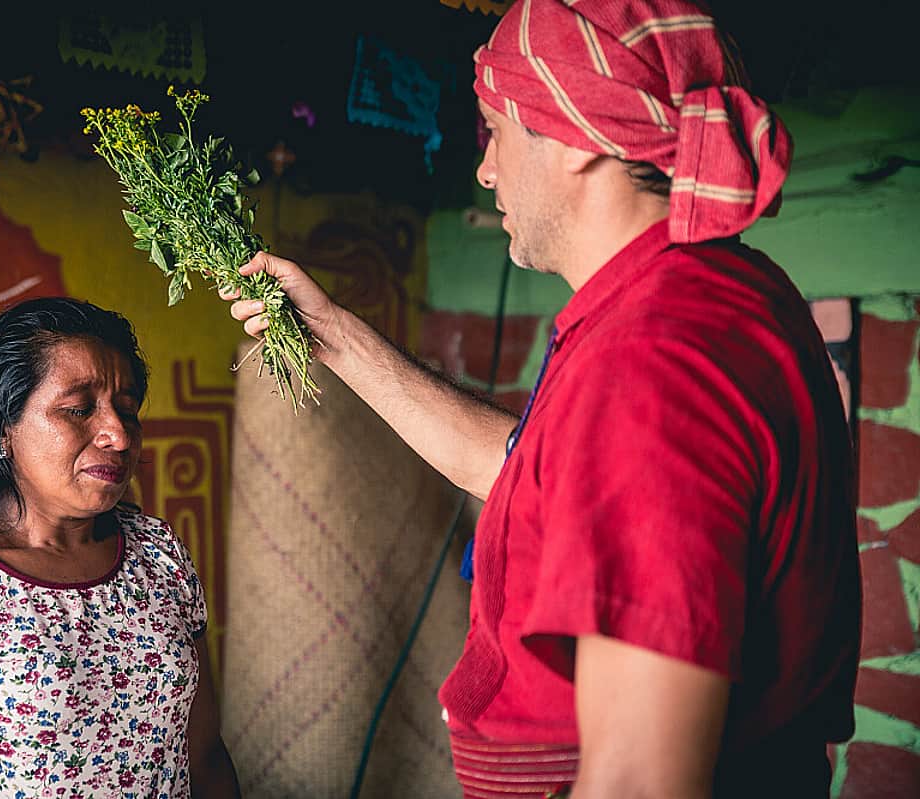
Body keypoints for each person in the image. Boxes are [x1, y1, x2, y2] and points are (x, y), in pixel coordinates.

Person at [223, 1, 860, 796]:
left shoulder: (651, 362)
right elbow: (526, 470)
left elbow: (639, 777)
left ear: (576, 139)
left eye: (496, 130)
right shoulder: (709, 296)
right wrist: (336, 336)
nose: (485, 168)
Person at [0, 296, 240, 798]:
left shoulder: (158, 555)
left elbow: (204, 759)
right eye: (78, 409)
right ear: (3, 429)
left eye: (128, 410)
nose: (118, 435)